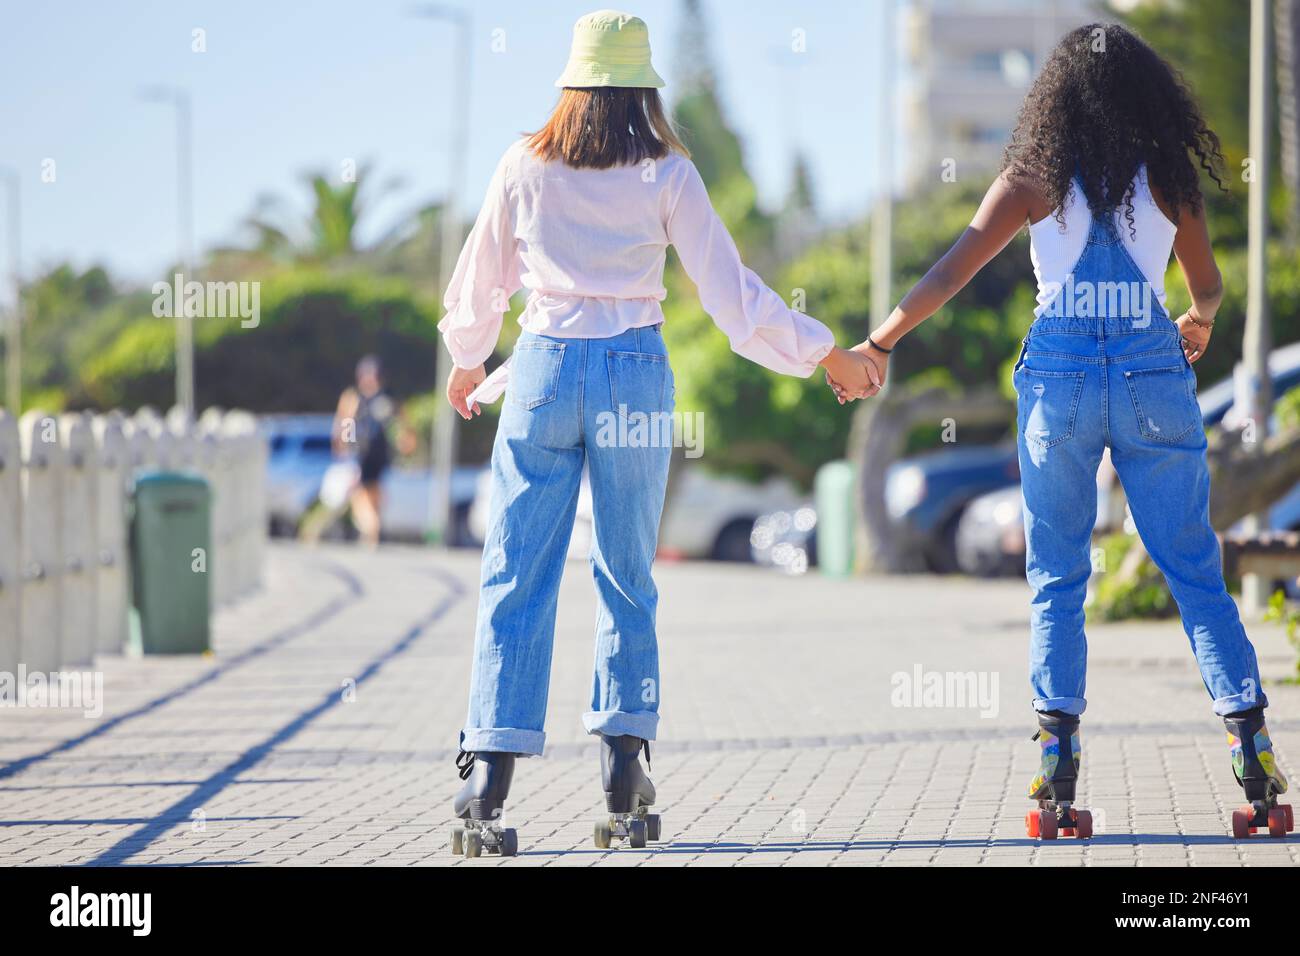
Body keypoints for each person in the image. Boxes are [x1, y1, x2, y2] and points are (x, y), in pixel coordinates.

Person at [439, 10, 878, 856]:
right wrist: (827, 353)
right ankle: (623, 771)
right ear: (644, 90)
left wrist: (467, 360)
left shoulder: (522, 164)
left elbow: (481, 280)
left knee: (515, 572)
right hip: (633, 375)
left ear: (570, 86)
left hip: (542, 372)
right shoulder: (669, 172)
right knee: (626, 575)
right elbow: (733, 297)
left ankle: (486, 778)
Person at [836, 23, 1289, 840]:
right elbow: (1210, 284)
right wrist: (1199, 318)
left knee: (1056, 576)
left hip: (1060, 385)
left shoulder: (1033, 176)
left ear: (1058, 98)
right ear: (1148, 96)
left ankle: (1055, 776)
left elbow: (954, 267)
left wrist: (880, 343)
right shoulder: (1169, 176)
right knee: (1193, 568)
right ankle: (1255, 761)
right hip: (1153, 379)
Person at [333, 355, 396, 549]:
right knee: (372, 492)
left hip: (362, 452)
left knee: (360, 494)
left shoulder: (354, 397)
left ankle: (371, 529)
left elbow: (347, 421)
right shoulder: (385, 398)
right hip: (380, 453)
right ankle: (373, 531)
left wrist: (344, 446)